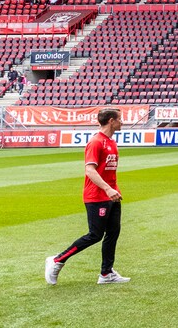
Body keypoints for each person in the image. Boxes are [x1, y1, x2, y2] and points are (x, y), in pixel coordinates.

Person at [45, 108, 129, 285]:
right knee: (95, 235)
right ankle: (57, 260)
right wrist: (107, 189)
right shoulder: (96, 142)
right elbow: (90, 170)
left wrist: (113, 190)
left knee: (113, 233)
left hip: (112, 195)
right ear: (111, 121)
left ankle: (106, 273)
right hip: (97, 196)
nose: (122, 122)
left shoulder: (111, 142)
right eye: (120, 119)